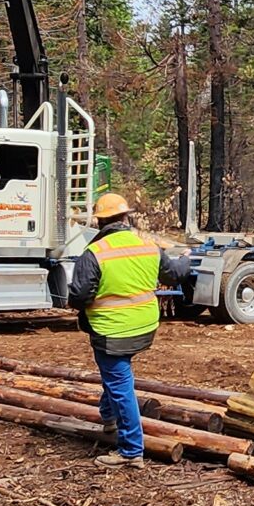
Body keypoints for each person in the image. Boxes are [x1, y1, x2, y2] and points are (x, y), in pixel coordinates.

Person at [64, 192, 168, 468]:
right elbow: (174, 273)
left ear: (99, 222)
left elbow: (79, 296)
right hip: (145, 326)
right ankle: (108, 417)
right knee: (115, 377)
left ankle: (131, 451)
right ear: (125, 218)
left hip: (112, 331)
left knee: (120, 385)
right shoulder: (148, 246)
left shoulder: (94, 253)